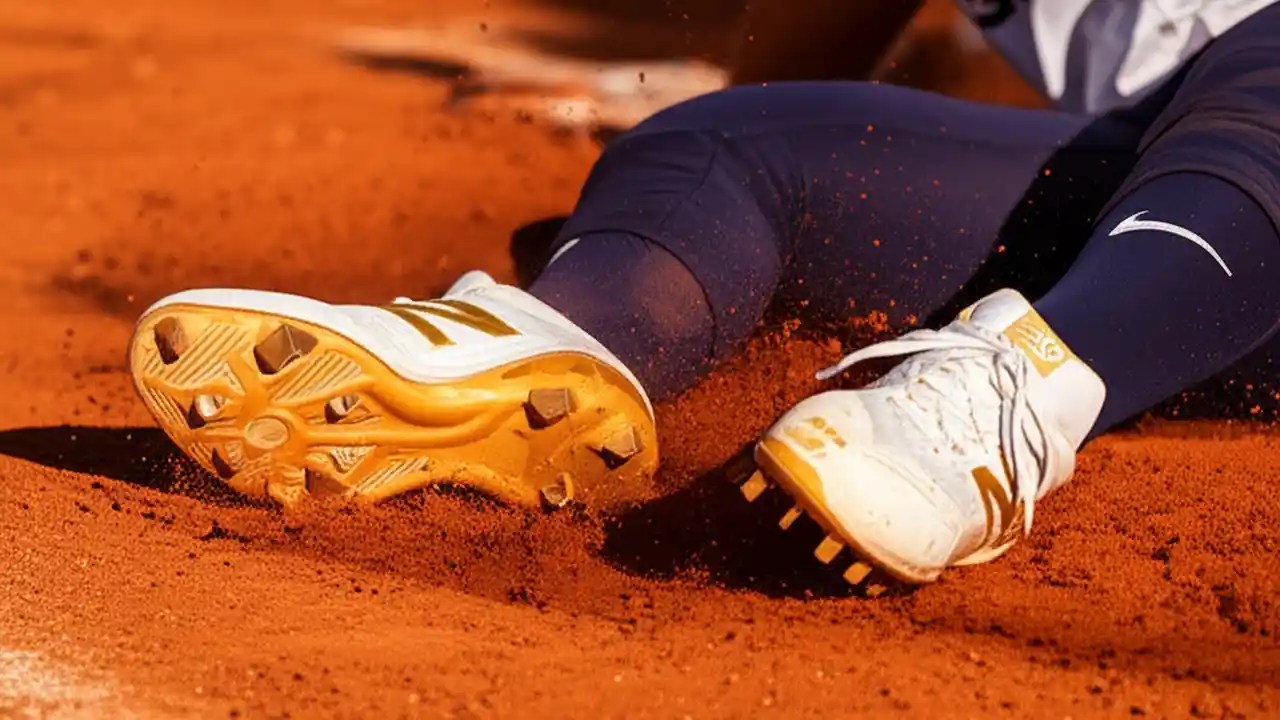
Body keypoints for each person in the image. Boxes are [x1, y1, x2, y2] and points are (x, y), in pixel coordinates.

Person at [128, 1, 1280, 595]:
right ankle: (546, 340)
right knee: (733, 148)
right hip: (1171, 220)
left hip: (1234, 184)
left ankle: (1008, 396)